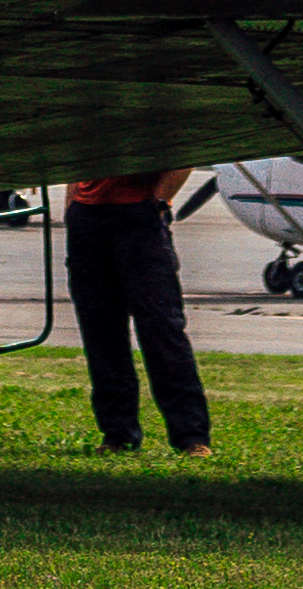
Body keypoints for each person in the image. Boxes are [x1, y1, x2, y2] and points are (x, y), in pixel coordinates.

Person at [65, 167, 211, 457]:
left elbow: (182, 158)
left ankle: (191, 435)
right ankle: (117, 432)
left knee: (161, 329)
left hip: (137, 215)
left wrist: (158, 201)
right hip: (88, 217)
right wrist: (72, 202)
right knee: (100, 331)